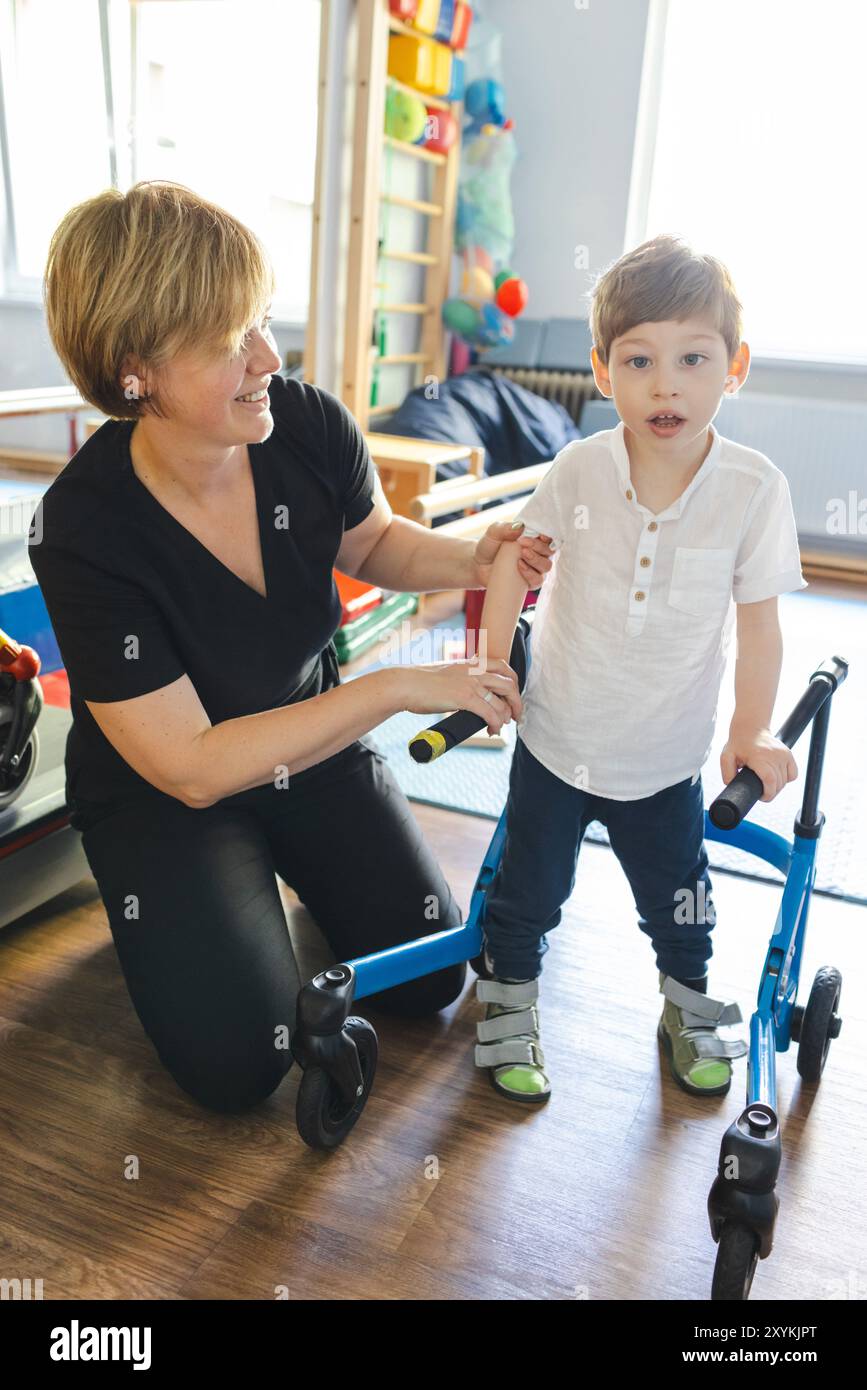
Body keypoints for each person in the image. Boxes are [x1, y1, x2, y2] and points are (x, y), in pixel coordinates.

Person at [27, 180, 555, 1115]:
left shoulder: (304, 423)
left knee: (426, 976)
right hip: (171, 796)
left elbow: (372, 543)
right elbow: (191, 768)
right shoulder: (82, 530)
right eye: (232, 340)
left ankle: (272, 896)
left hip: (305, 751)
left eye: (263, 321)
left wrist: (474, 554)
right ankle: (191, 906)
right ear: (133, 367)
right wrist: (395, 688)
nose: (268, 356)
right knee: (240, 1065)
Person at [473, 233, 806, 1105]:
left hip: (665, 758)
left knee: (680, 901)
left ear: (732, 367)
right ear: (601, 371)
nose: (666, 385)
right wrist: (488, 666)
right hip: (555, 737)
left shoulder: (753, 488)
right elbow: (516, 563)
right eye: (639, 360)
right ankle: (507, 999)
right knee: (527, 893)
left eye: (692, 358)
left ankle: (686, 1002)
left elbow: (760, 624)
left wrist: (749, 729)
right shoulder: (580, 469)